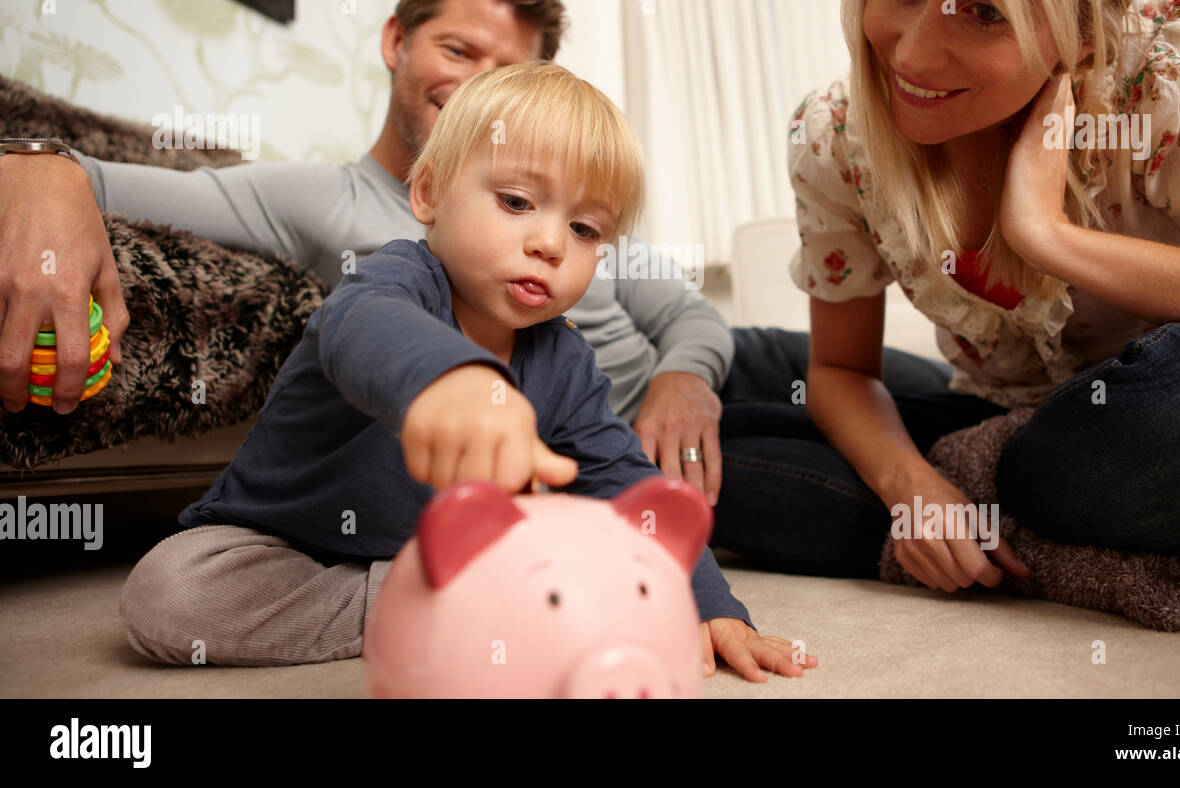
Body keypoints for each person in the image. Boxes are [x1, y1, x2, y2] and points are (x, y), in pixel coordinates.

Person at [0, 0, 950, 508]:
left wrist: (681, 379)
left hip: (715, 369)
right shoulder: (318, 200)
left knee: (934, 391)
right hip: (614, 429)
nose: (475, 92)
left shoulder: (572, 204)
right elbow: (87, 173)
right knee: (849, 484)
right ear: (395, 42)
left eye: (506, 74)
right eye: (458, 50)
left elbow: (691, 313)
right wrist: (46, 182)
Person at [709, 0, 1180, 595]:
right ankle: (1046, 533)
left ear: (1085, 31)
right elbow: (841, 372)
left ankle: (1011, 521)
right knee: (725, 447)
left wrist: (1046, 236)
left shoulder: (1170, 64)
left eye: (984, 11)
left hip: (1162, 409)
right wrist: (911, 491)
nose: (914, 57)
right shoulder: (836, 135)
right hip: (1002, 426)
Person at [119, 62, 817, 682]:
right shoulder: (394, 277)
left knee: (583, 525)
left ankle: (473, 596)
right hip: (277, 546)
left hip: (453, 553)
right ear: (428, 195)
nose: (548, 242)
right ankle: (469, 603)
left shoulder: (564, 356)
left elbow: (627, 482)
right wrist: (448, 380)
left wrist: (705, 603)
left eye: (585, 230)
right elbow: (358, 330)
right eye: (516, 202)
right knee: (171, 594)